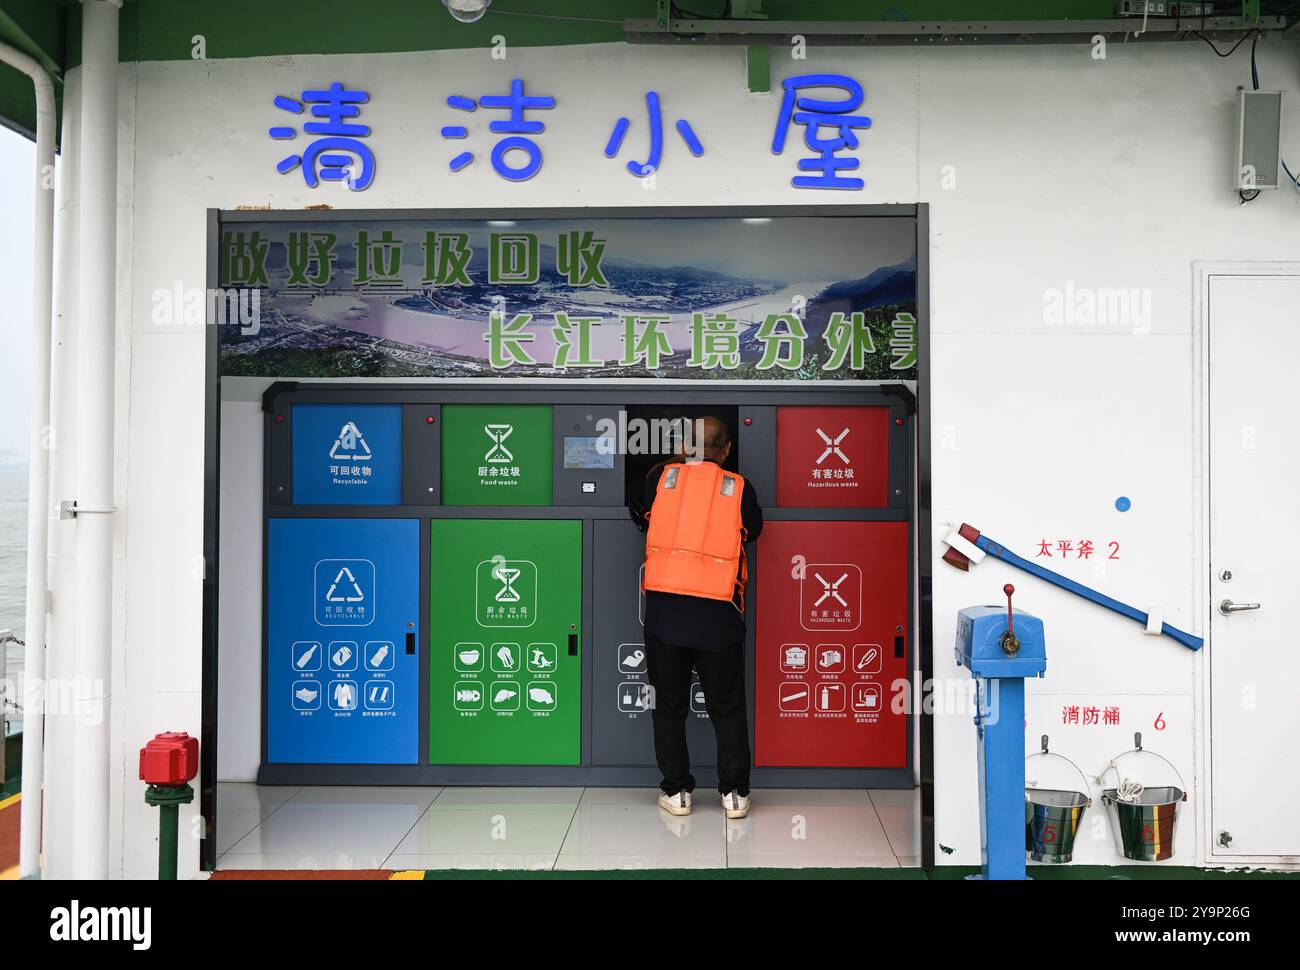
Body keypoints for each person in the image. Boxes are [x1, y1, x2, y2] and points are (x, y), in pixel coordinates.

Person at [628, 416, 762, 819]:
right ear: (726, 450)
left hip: (666, 615)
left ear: (687, 445)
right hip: (718, 616)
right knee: (727, 707)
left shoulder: (659, 479)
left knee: (668, 707)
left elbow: (640, 516)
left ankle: (677, 793)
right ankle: (734, 794)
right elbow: (753, 530)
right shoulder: (737, 487)